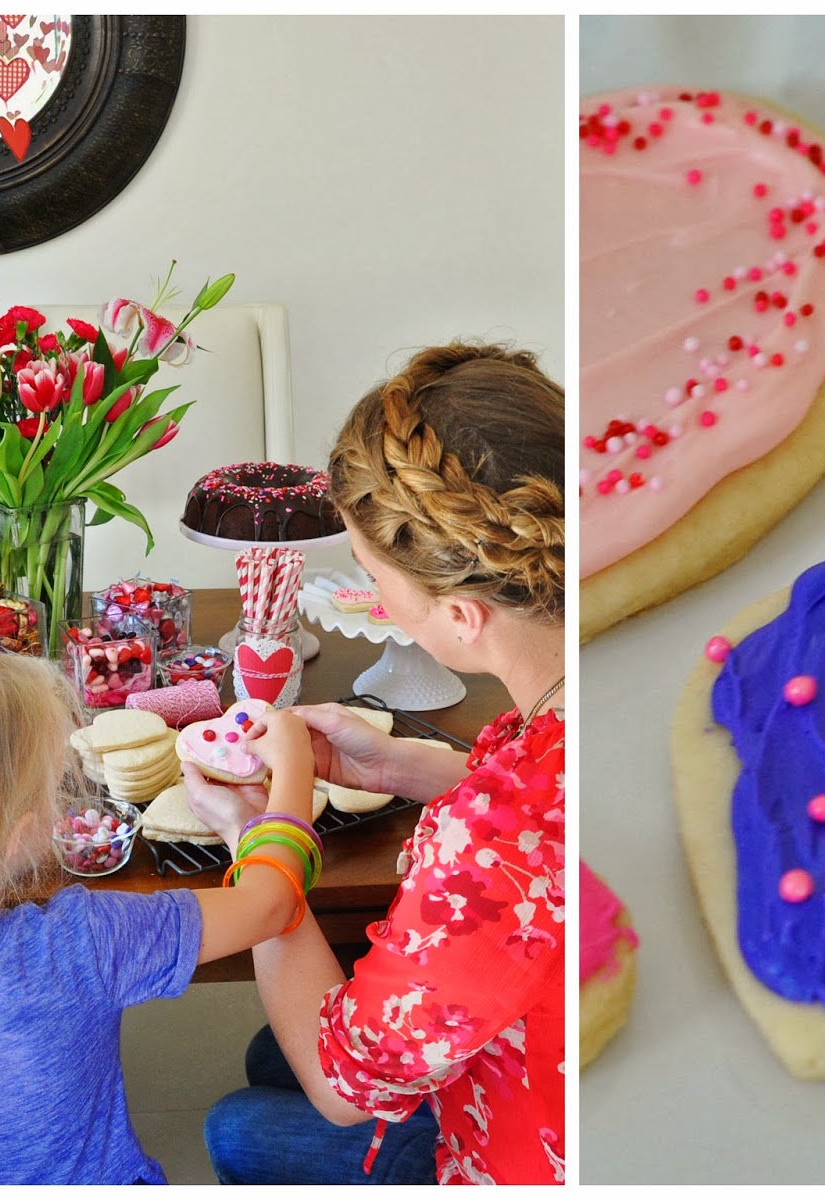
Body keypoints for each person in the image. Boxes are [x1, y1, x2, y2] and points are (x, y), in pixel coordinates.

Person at [189, 341, 566, 1185]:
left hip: (536, 1152)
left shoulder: (489, 848)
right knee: (265, 1052)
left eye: (371, 574)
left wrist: (264, 840)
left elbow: (339, 1086)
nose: (374, 593)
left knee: (241, 1121)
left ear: (463, 616)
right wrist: (404, 767)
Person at [0, 646, 321, 1185]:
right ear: (22, 835)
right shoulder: (79, 942)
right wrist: (295, 765)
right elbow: (270, 905)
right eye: (58, 780)